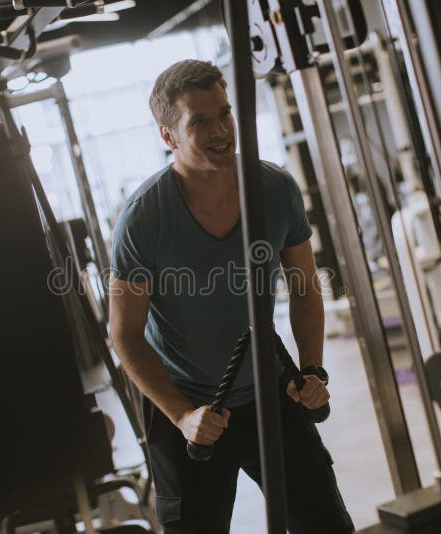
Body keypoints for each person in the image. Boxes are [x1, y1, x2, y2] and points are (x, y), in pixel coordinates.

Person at [109, 59, 354, 533]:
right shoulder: (143, 218)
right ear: (169, 136)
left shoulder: (276, 188)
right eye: (200, 120)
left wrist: (313, 369)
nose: (221, 130)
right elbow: (124, 336)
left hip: (272, 389)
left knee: (325, 525)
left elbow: (304, 288)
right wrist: (183, 417)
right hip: (188, 405)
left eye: (225, 113)